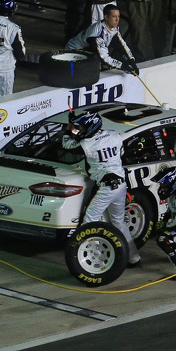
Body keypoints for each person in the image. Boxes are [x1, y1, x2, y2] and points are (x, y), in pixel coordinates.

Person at [61, 111, 141, 266]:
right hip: (121, 184)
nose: (79, 130)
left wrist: (68, 128)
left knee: (89, 222)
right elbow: (121, 153)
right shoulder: (114, 135)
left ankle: (91, 259)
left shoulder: (86, 144)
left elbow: (67, 144)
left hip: (107, 188)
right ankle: (134, 257)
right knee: (118, 222)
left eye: (82, 127)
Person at [66, 5, 138, 73]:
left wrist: (132, 60)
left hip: (88, 50)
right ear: (106, 17)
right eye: (114, 16)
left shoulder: (113, 27)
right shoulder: (97, 33)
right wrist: (123, 66)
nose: (117, 20)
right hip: (74, 52)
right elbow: (104, 57)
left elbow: (122, 45)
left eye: (118, 16)